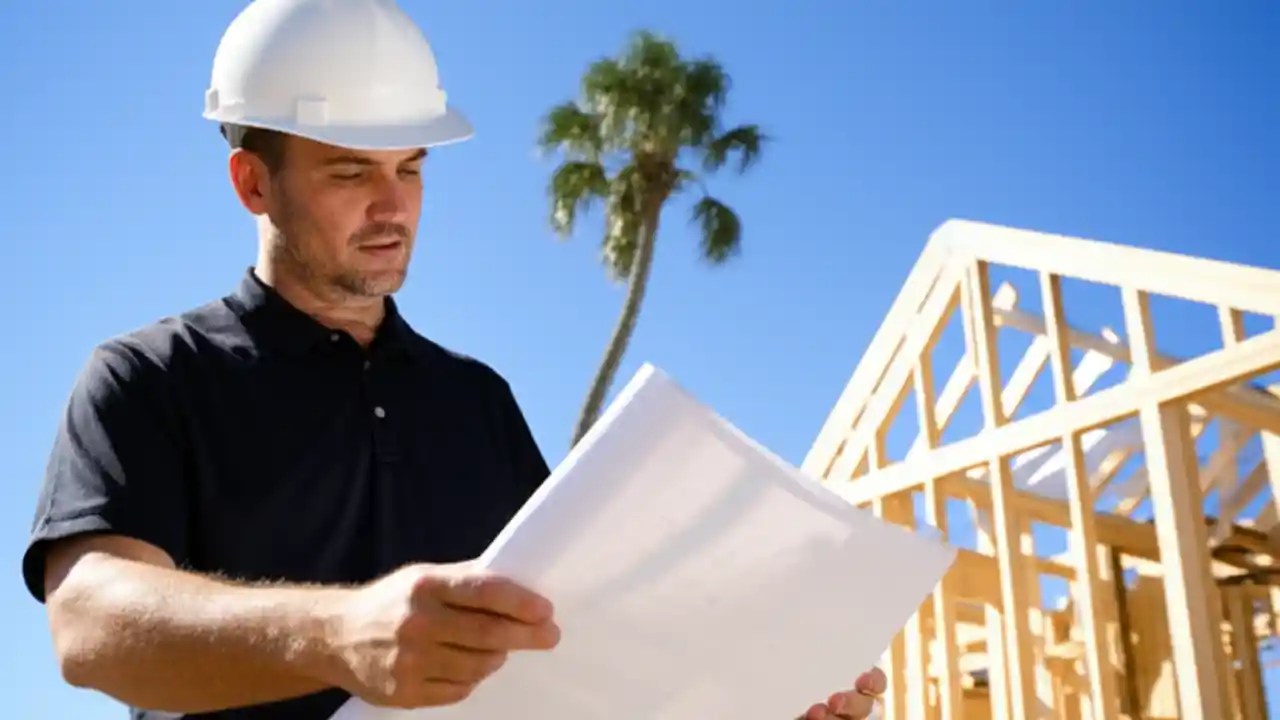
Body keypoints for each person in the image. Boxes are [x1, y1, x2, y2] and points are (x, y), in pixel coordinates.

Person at [21, 1, 885, 718]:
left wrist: (754, 700)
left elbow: (570, 664)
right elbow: (89, 623)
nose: (393, 206)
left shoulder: (476, 401)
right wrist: (337, 636)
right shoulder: (150, 377)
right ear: (253, 182)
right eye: (350, 173)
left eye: (411, 169)